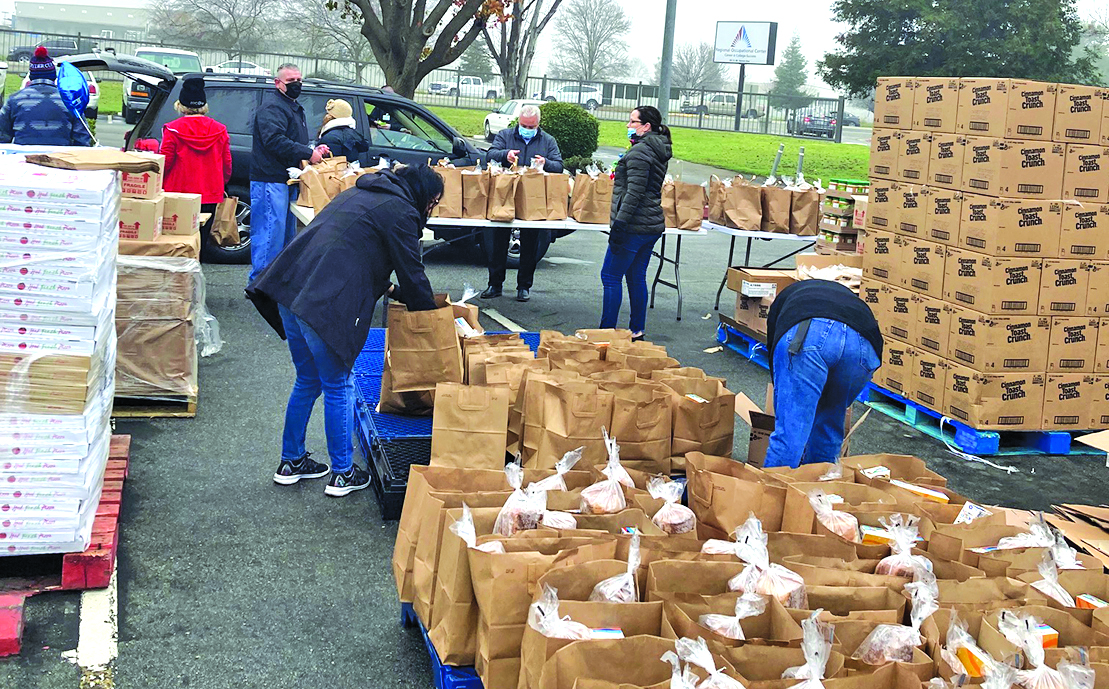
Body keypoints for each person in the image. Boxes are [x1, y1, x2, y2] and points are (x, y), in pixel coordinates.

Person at [246, 163, 443, 496]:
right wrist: (434, 321)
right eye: (434, 202)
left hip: (288, 289)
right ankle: (343, 473)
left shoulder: (361, 193)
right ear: (425, 195)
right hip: (322, 301)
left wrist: (394, 291)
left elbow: (353, 249)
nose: (432, 209)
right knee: (339, 384)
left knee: (308, 380)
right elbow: (413, 274)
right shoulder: (402, 212)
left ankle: (291, 461)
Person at [763, 280, 884, 469]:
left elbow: (777, 361)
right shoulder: (834, 295)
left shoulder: (782, 307)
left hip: (809, 334)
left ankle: (773, 487)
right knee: (829, 426)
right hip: (863, 345)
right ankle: (819, 485)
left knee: (791, 432)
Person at [249, 62, 329, 285]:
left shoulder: (291, 106)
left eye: (299, 80)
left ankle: (274, 283)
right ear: (278, 83)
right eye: (291, 80)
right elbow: (274, 140)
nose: (296, 84)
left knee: (284, 236)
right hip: (270, 179)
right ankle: (259, 284)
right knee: (269, 235)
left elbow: (292, 139)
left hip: (287, 179)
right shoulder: (273, 108)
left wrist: (313, 150)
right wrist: (307, 153)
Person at [599, 105, 671, 339]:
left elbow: (634, 193)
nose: (628, 126)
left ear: (646, 126)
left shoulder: (640, 152)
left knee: (610, 276)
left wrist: (620, 224)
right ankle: (637, 330)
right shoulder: (656, 148)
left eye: (632, 122)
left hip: (634, 225)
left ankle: (606, 332)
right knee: (636, 276)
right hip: (650, 224)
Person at [482, 104, 564, 302]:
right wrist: (505, 155)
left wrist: (545, 163)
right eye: (524, 125)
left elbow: (559, 166)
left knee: (530, 244)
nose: (527, 129)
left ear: (538, 124)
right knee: (498, 242)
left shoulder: (548, 141)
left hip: (533, 200)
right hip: (506, 196)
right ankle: (495, 284)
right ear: (518, 121)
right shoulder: (505, 135)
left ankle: (524, 286)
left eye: (531, 126)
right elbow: (490, 154)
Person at [160, 76, 232, 237]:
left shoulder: (172, 130)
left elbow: (166, 162)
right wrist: (223, 183)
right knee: (202, 237)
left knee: (178, 238)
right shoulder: (220, 130)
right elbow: (227, 164)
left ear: (180, 105)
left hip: (177, 192)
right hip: (210, 192)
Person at [0, 47, 91, 147]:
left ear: (31, 76)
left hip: (24, 156)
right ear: (53, 76)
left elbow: (2, 136)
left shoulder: (14, 100)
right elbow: (82, 138)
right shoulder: (69, 101)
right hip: (60, 155)